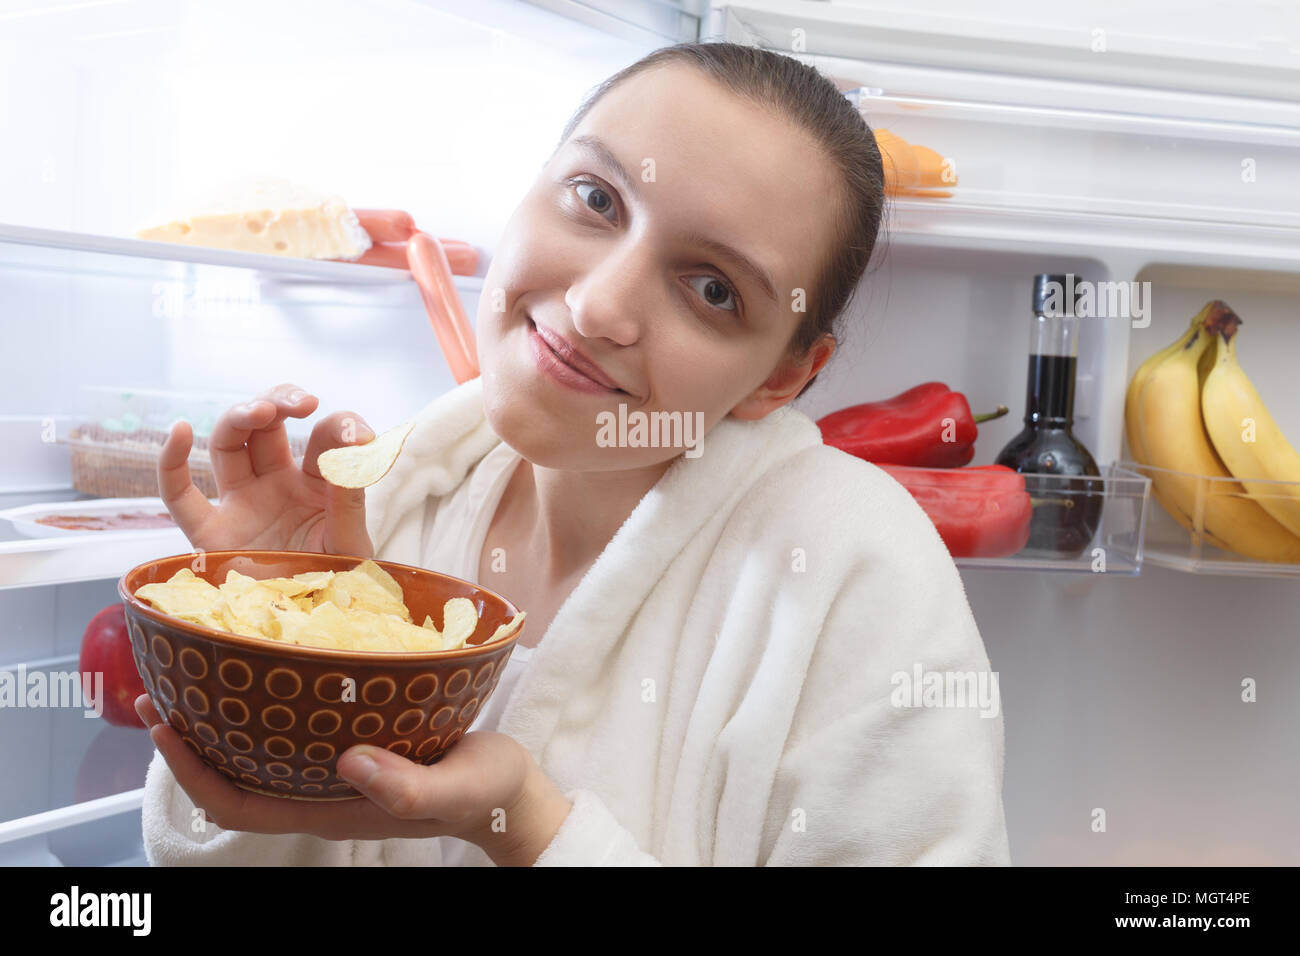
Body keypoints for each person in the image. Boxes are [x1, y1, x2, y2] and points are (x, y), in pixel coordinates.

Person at [139, 41, 1012, 866]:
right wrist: (265, 672)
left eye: (712, 290)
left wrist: (530, 829)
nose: (598, 307)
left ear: (783, 376)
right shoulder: (396, 498)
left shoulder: (859, 572)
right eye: (597, 200)